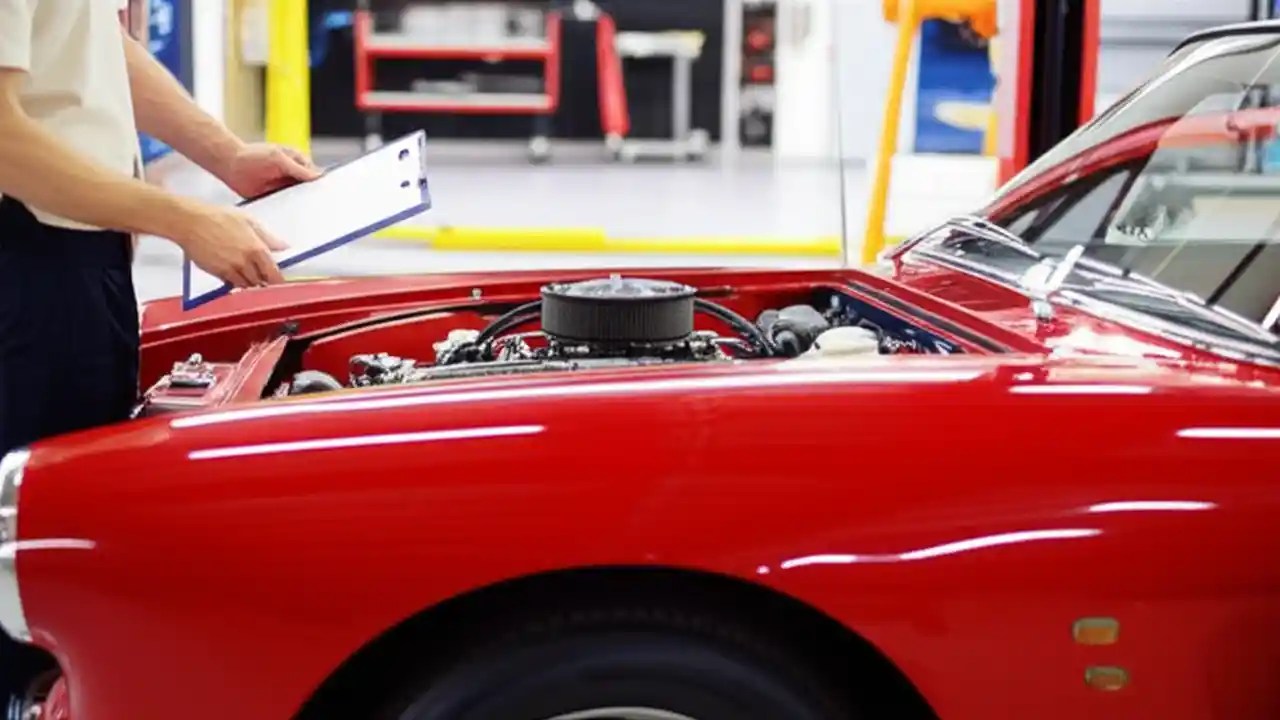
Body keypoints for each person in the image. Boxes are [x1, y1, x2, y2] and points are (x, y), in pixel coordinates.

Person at [0, 0, 323, 460]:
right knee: (38, 483)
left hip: (88, 254)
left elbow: (97, 44)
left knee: (86, 471)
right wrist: (183, 220)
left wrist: (228, 156)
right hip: (28, 262)